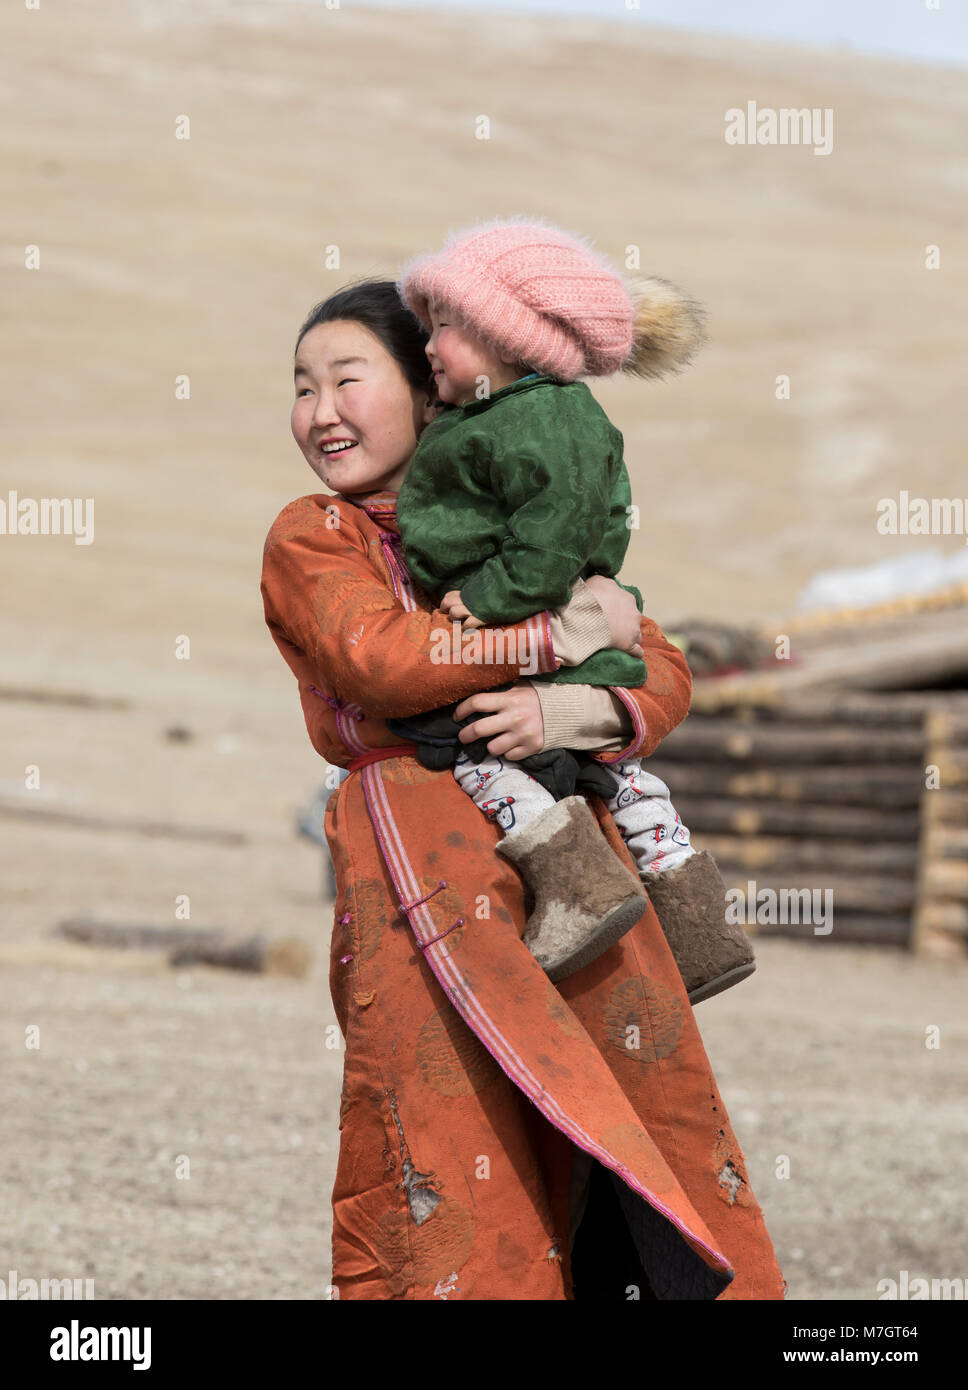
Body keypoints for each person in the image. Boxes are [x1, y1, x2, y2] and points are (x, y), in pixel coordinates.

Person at [261, 277, 786, 1300]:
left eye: (346, 379)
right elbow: (385, 661)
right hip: (417, 873)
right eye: (300, 385)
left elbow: (655, 659)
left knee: (637, 1128)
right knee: (445, 1132)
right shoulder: (315, 534)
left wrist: (574, 714)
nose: (319, 411)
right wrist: (550, 642)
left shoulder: (518, 525)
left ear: (434, 387)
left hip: (573, 880)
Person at [387, 217, 754, 995]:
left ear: (509, 337)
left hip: (528, 638)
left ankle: (577, 892)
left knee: (485, 760)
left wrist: (489, 599)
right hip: (562, 645)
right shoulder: (501, 415)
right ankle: (697, 929)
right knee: (626, 786)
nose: (429, 346)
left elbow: (555, 535)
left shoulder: (545, 418)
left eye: (446, 327)